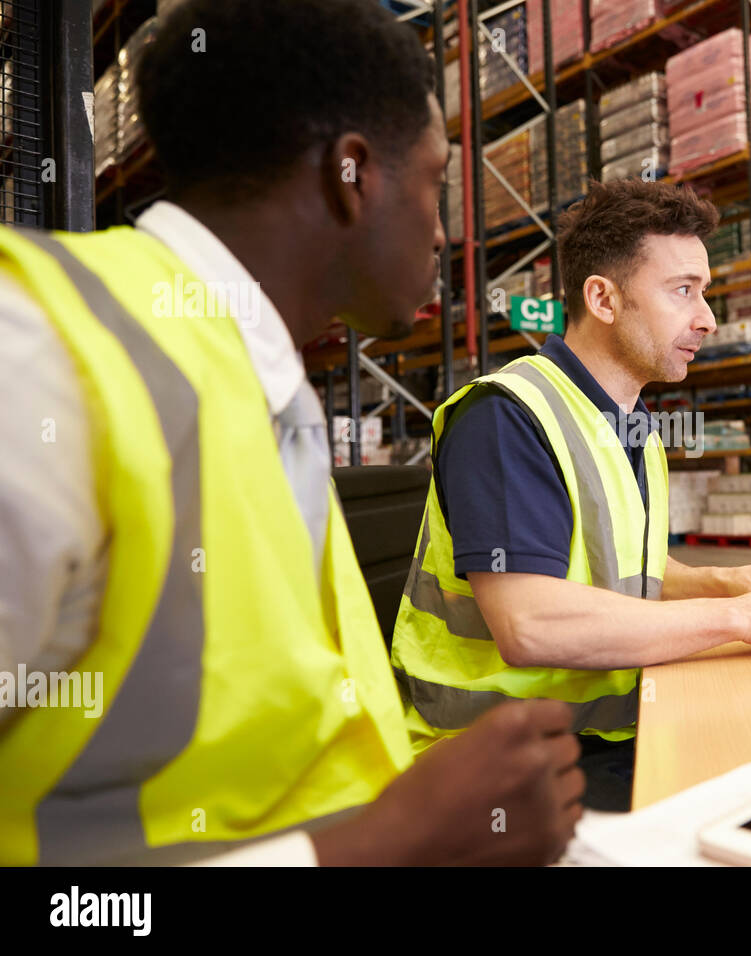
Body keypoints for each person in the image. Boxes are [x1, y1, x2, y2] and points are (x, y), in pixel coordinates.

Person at [0, 0, 582, 866]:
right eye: (434, 180)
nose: (441, 230)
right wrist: (385, 843)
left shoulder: (263, 385)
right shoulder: (36, 354)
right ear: (351, 176)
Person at [390, 179, 751, 810]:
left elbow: (628, 570)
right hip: (489, 760)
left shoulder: (630, 424)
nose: (708, 318)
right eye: (683, 292)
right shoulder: (507, 417)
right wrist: (745, 620)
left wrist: (733, 584)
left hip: (595, 731)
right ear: (603, 298)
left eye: (705, 292)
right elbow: (530, 624)